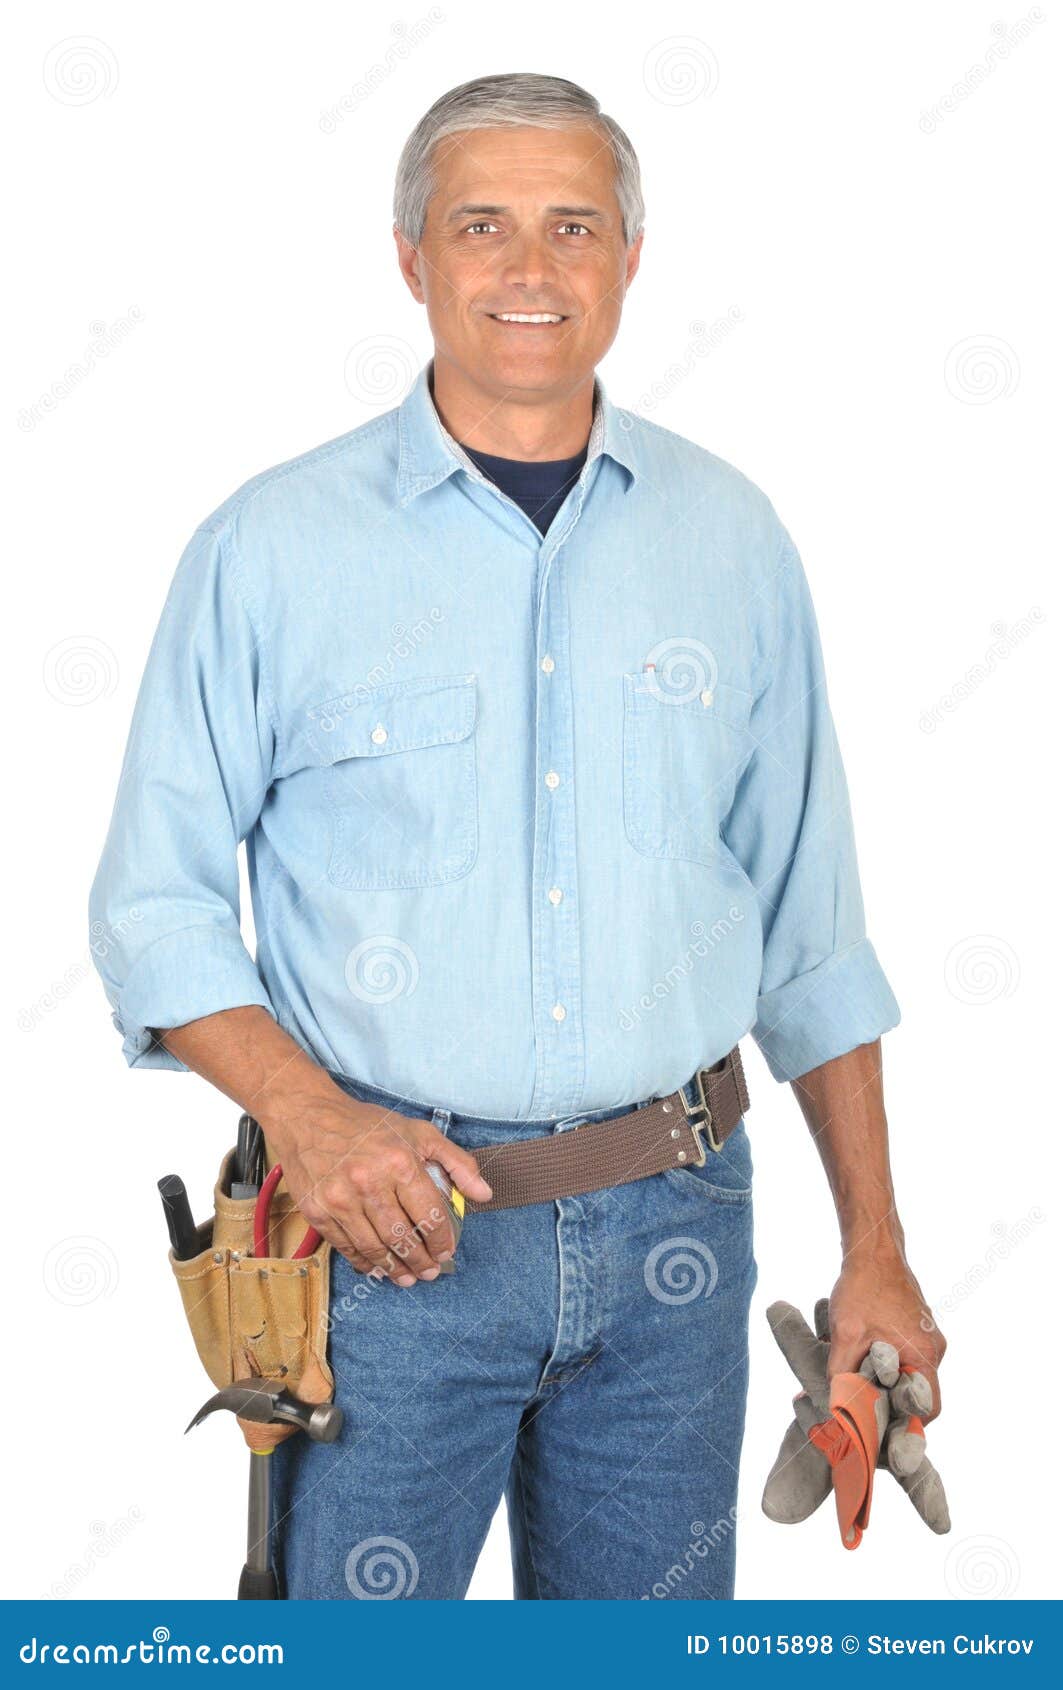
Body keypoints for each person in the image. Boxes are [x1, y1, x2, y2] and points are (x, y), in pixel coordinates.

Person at [88, 72, 944, 1600]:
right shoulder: (271, 547)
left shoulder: (731, 538)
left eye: (574, 226)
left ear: (629, 258)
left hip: (683, 1236)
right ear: (413, 258)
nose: (531, 270)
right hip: (386, 1244)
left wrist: (874, 1241)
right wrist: (313, 1117)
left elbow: (813, 935)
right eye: (483, 225)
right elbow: (153, 908)